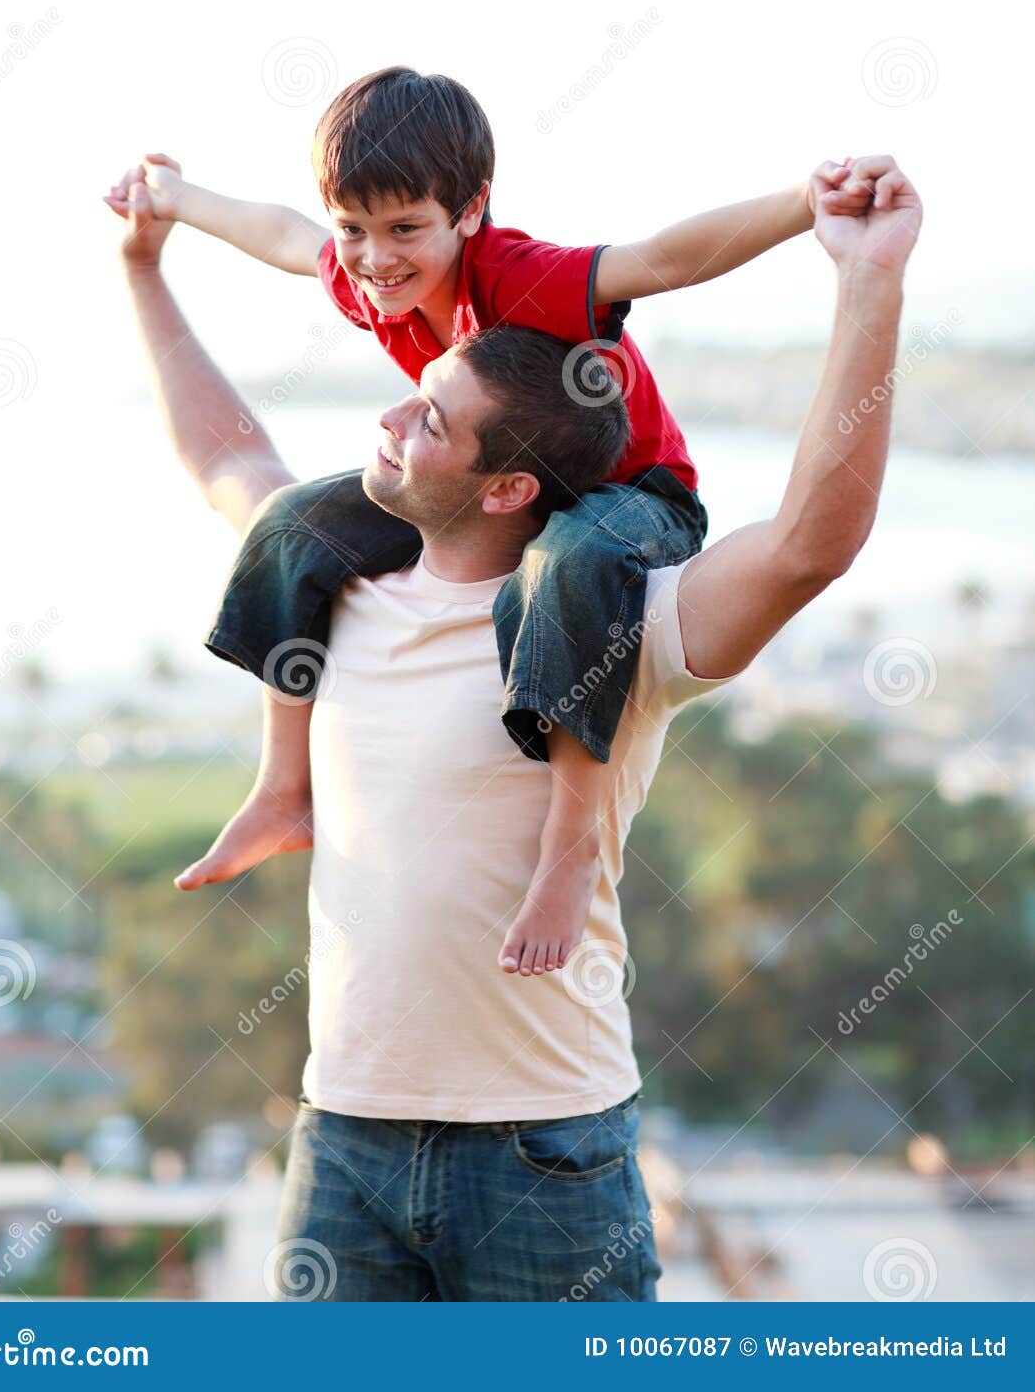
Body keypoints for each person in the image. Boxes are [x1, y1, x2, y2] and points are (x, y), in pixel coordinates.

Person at [113, 148, 921, 1301]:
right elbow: (225, 456)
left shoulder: (622, 626)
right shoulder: (336, 584)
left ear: (505, 488)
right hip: (344, 1139)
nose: (391, 414)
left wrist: (868, 280)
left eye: (432, 417)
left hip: (545, 1153)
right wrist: (147, 264)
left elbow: (809, 544)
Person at [105, 68, 866, 978]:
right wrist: (177, 201)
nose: (374, 258)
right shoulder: (368, 278)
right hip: (490, 483)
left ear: (470, 209)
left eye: (403, 230)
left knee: (565, 566)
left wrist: (803, 202)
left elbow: (664, 260)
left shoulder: (518, 275)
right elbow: (281, 234)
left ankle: (568, 845)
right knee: (292, 522)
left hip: (628, 499)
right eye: (354, 228)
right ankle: (282, 786)